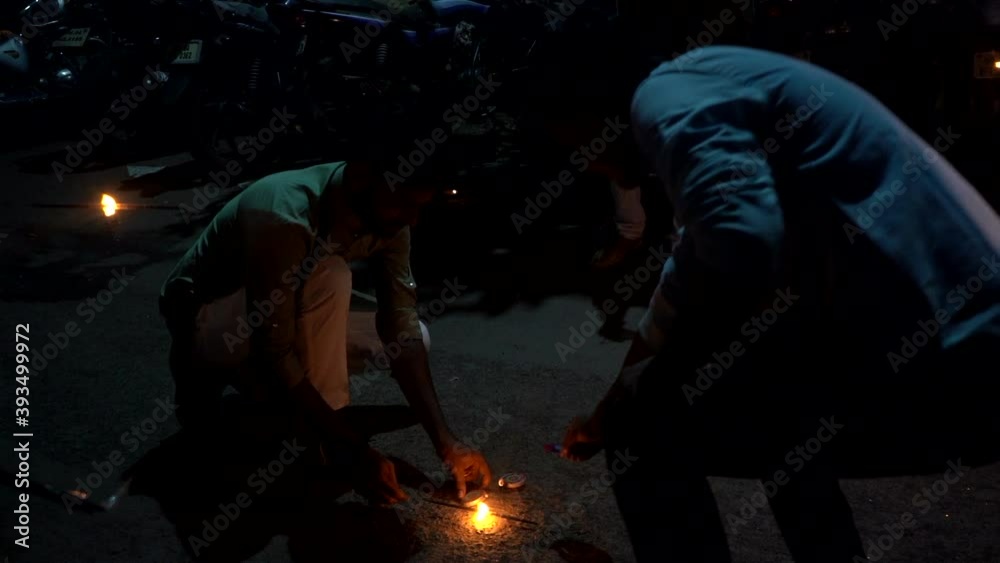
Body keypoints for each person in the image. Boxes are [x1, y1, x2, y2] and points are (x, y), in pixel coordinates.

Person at [558, 46, 1000, 562]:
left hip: (956, 347)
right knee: (778, 413)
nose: (584, 165)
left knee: (646, 424)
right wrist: (605, 408)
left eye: (570, 143)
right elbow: (680, 287)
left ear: (589, 110)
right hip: (953, 330)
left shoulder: (665, 96)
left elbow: (741, 257)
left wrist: (635, 402)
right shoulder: (710, 94)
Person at [159, 159, 492, 506]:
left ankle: (302, 414)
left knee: (415, 336)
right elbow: (274, 348)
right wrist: (353, 449)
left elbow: (399, 320)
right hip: (208, 318)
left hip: (277, 313)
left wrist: (445, 440)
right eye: (404, 203)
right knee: (330, 276)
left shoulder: (390, 216)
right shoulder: (285, 216)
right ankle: (322, 439)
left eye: (419, 207)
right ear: (364, 181)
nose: (412, 218)